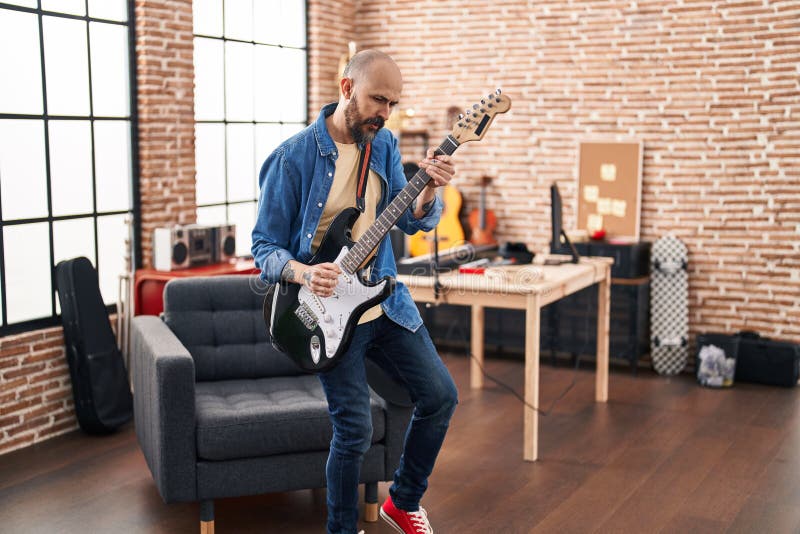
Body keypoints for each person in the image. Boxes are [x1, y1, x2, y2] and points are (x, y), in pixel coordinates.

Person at [251, 50, 459, 534]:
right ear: (347, 88)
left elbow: (410, 220)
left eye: (392, 104)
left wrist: (429, 190)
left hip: (383, 303)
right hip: (325, 314)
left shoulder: (381, 144)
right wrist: (304, 273)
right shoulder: (292, 158)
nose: (385, 113)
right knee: (354, 431)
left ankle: (402, 502)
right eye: (378, 99)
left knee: (441, 397)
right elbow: (263, 246)